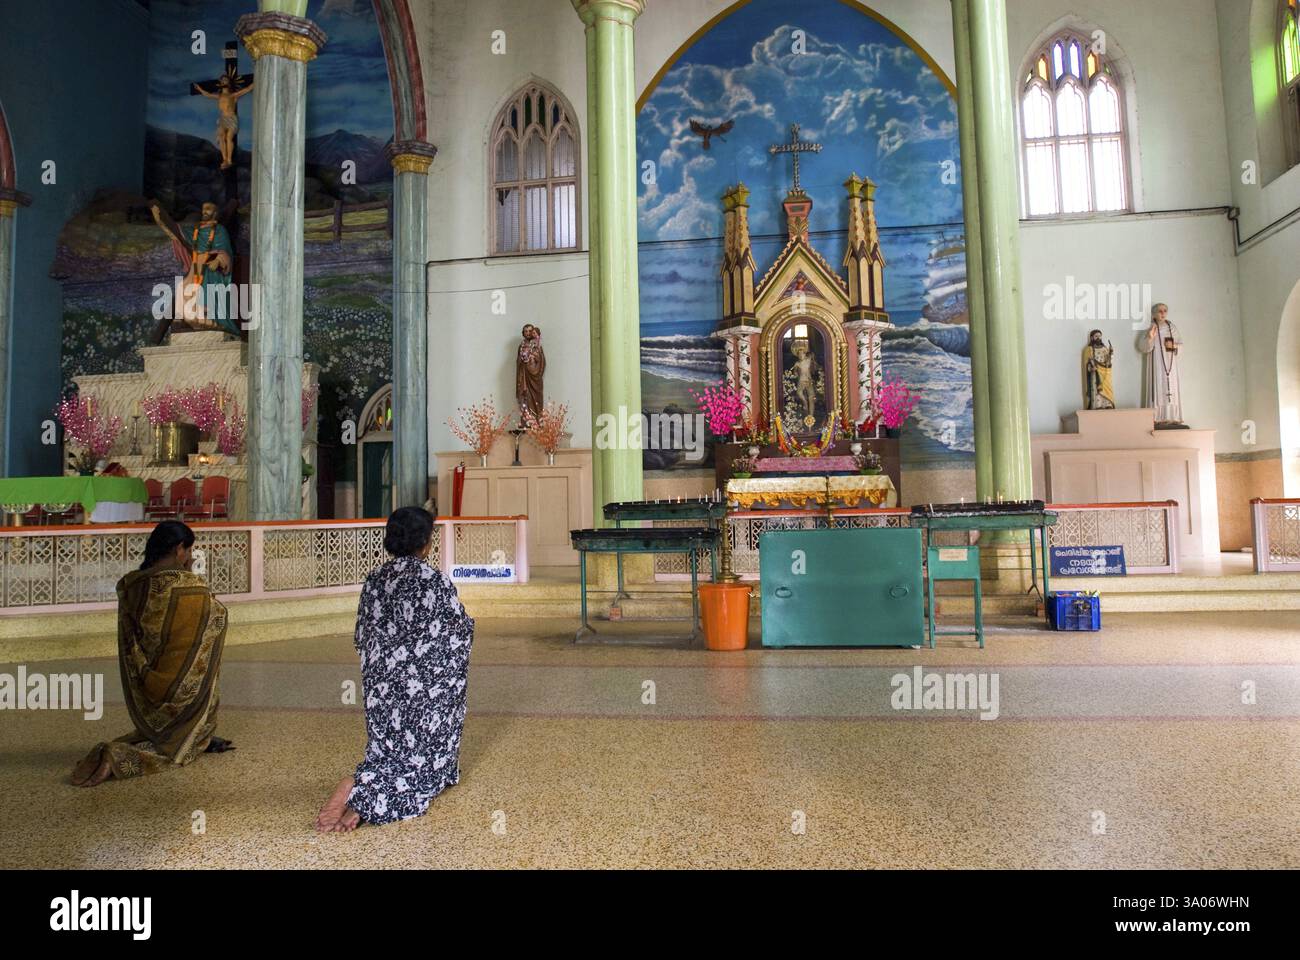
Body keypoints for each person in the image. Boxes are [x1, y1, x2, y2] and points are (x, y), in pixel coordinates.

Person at [316, 507, 475, 832]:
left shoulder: (375, 579)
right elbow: (458, 632)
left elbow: (362, 636)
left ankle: (361, 785)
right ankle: (367, 797)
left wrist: (387, 669)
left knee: (387, 747)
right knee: (424, 762)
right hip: (424, 694)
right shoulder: (434, 582)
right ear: (426, 543)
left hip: (383, 689)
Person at [70, 521, 232, 787]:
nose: (189, 557)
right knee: (188, 742)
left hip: (147, 694)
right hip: (181, 696)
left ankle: (141, 741)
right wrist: (191, 575)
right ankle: (119, 756)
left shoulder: (131, 585)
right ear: (180, 549)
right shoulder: (193, 590)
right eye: (188, 551)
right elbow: (216, 616)